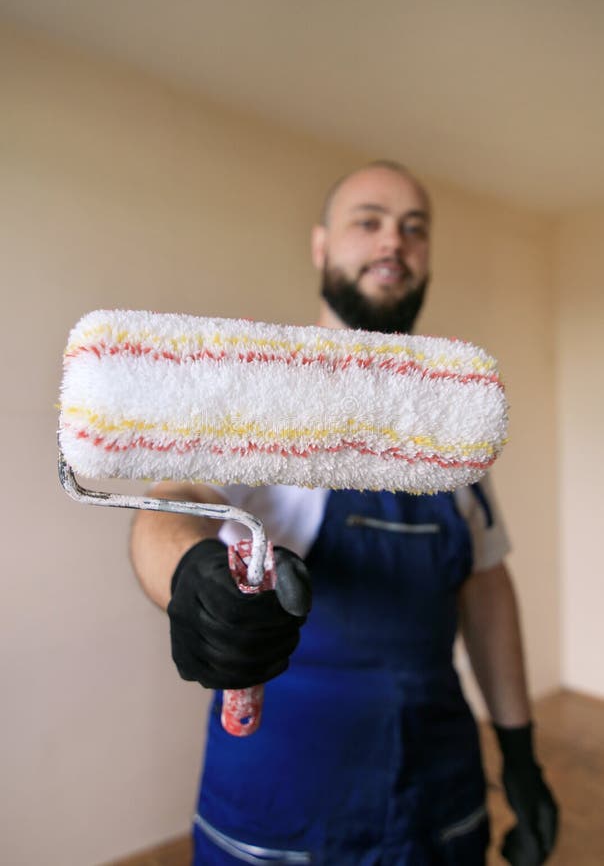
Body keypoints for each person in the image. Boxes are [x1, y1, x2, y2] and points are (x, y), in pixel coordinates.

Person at [130, 161, 558, 865]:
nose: (394, 241)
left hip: (439, 794)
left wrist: (520, 752)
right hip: (284, 801)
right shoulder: (262, 393)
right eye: (369, 221)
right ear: (322, 246)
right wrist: (189, 573)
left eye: (414, 229)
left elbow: (485, 586)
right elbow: (177, 505)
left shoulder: (452, 424)